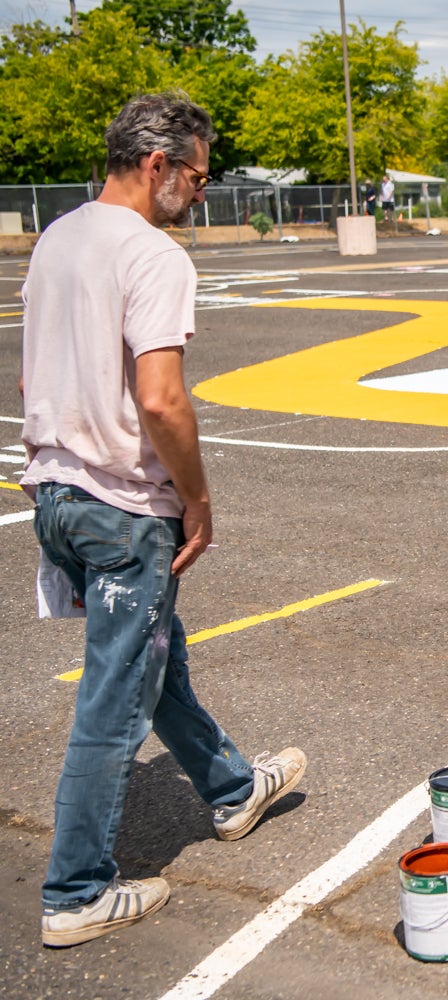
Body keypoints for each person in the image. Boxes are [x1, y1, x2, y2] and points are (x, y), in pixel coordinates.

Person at [20, 93, 306, 949]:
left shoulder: (57, 238)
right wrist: (197, 501)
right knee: (114, 700)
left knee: (153, 660)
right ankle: (75, 891)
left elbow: (37, 378)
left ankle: (231, 788)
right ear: (157, 166)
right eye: (199, 177)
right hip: (121, 505)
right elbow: (161, 398)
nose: (201, 194)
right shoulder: (152, 253)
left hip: (57, 494)